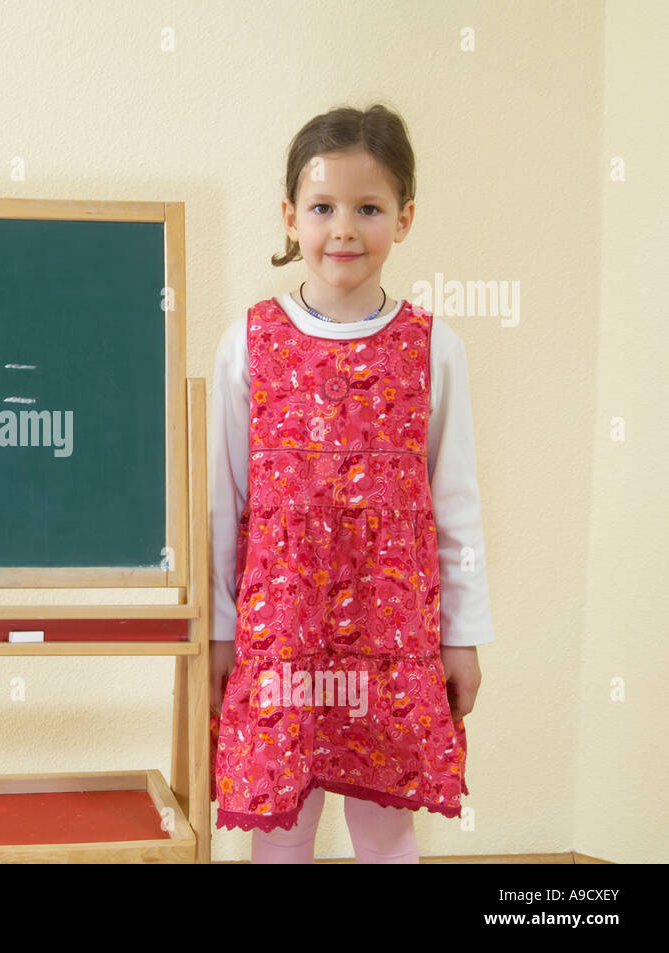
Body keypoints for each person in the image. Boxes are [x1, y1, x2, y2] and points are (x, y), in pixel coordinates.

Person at [208, 103, 495, 863]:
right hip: (282, 638)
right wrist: (218, 630)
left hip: (394, 641)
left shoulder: (435, 349)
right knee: (280, 823)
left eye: (368, 208)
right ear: (289, 216)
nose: (343, 229)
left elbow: (456, 505)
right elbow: (223, 503)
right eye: (323, 207)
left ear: (402, 219)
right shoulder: (248, 342)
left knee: (387, 826)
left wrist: (461, 637)